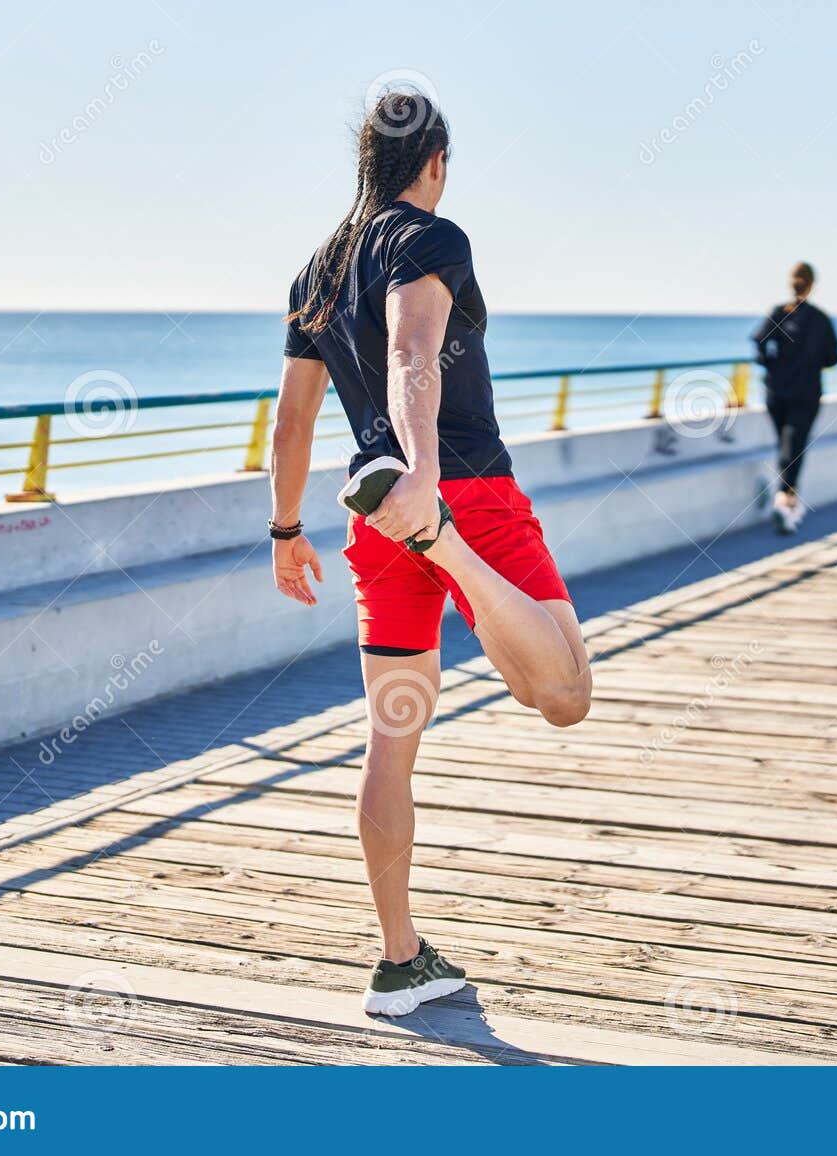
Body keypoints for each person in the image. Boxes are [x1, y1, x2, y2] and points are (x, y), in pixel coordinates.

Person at [267, 92, 591, 1018]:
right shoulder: (430, 236)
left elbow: (293, 419)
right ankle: (446, 548)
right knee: (561, 694)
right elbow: (415, 350)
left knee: (390, 737)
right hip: (460, 498)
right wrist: (425, 484)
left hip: (373, 521)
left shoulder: (317, 273)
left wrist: (285, 532)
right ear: (435, 160)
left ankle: (399, 960)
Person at [752, 262, 837, 534]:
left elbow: (758, 342)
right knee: (793, 446)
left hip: (776, 391)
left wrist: (773, 364)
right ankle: (785, 501)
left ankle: (787, 500)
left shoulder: (779, 313)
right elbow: (833, 357)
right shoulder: (819, 319)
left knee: (786, 446)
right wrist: (809, 362)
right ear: (812, 284)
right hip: (805, 392)